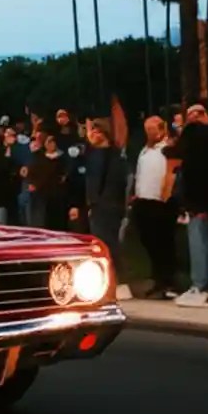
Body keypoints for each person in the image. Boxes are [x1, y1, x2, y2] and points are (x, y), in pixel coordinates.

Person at [172, 104, 208, 309]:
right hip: (201, 200)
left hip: (202, 201)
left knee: (200, 243)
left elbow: (203, 173)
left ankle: (202, 287)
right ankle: (203, 286)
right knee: (201, 243)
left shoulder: (204, 139)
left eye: (199, 113)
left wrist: (200, 202)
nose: (194, 118)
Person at [79, 119, 129, 298]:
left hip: (105, 206)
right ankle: (113, 281)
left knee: (107, 245)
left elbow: (99, 183)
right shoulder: (112, 155)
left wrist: (95, 203)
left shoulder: (103, 156)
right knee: (107, 244)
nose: (90, 135)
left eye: (94, 131)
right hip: (106, 205)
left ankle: (118, 282)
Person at [132, 116, 177, 298]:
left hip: (160, 202)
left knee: (163, 242)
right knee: (148, 240)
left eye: (152, 129)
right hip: (143, 200)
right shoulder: (144, 151)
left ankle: (168, 281)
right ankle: (158, 278)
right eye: (147, 129)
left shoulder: (168, 149)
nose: (150, 133)